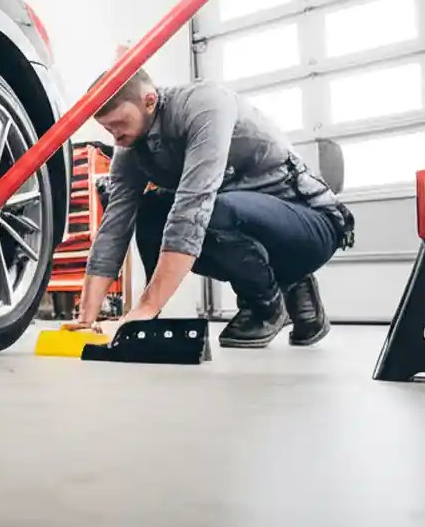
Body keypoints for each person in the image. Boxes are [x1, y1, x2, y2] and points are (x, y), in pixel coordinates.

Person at [64, 66, 355, 348]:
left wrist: (145, 308)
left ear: (149, 101)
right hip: (248, 218)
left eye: (118, 124)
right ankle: (292, 281)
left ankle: (265, 306)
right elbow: (114, 225)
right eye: (107, 128)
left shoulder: (203, 106)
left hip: (313, 222)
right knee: (151, 211)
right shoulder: (131, 147)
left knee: (206, 213)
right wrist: (87, 316)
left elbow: (194, 206)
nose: (114, 137)